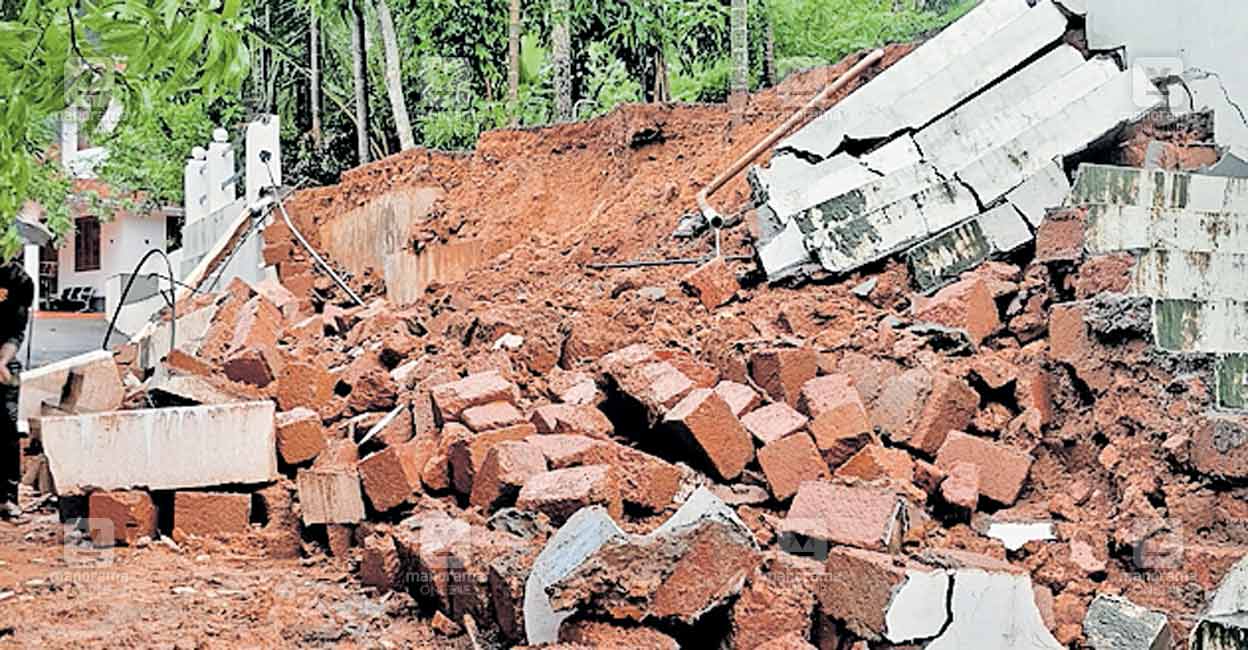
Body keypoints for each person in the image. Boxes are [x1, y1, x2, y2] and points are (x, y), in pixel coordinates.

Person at [0, 258, 34, 521]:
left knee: (7, 427)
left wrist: (2, 360)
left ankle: (7, 499)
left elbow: (16, 330)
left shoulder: (19, 282)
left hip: (3, 360)